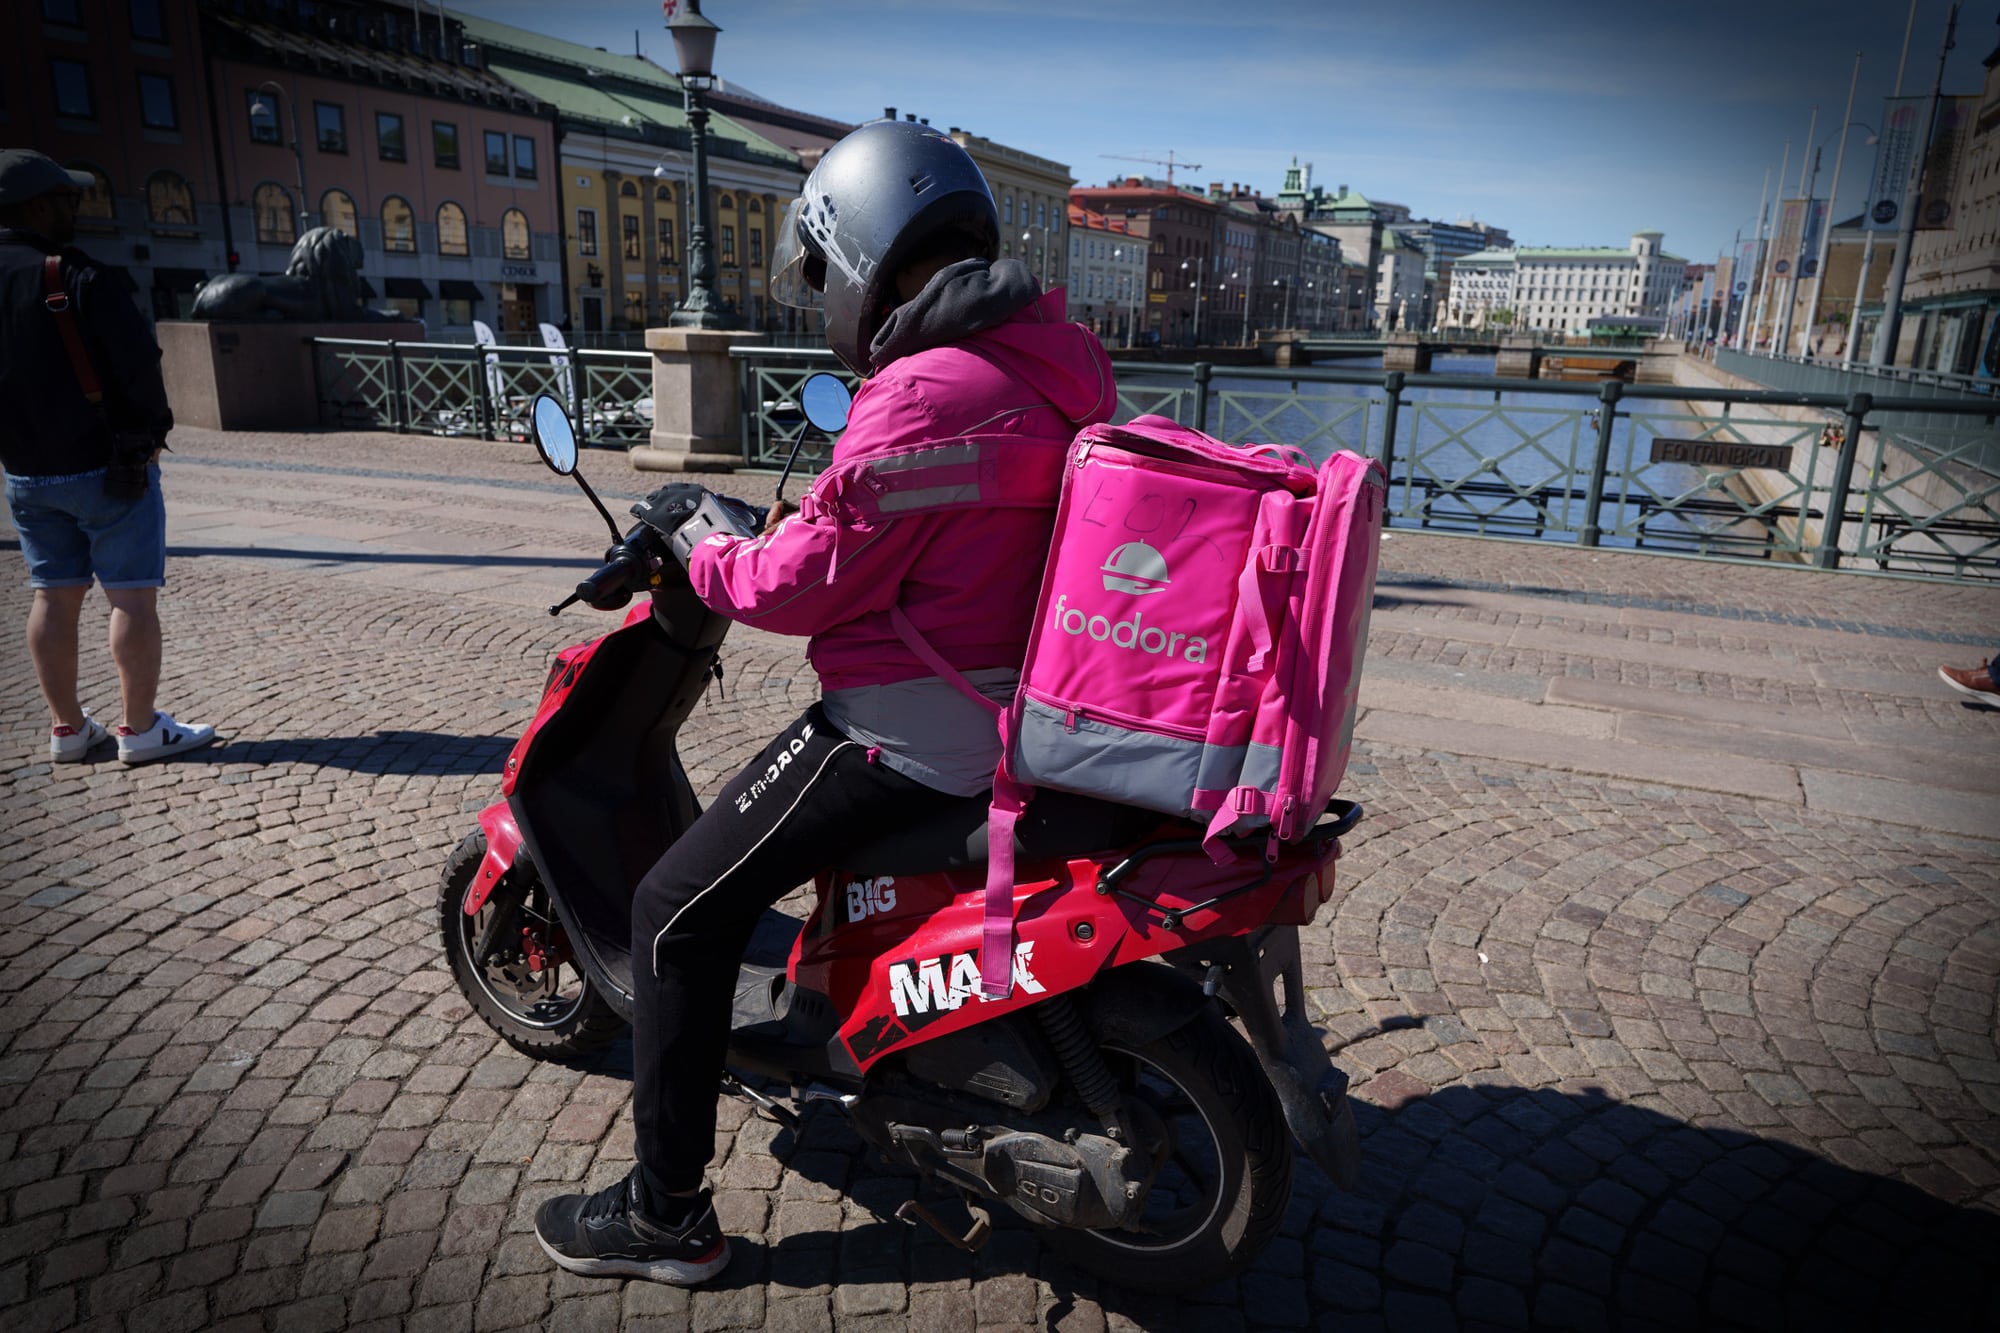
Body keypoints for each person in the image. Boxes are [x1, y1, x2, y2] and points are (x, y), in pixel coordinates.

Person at [532, 121, 1115, 1284]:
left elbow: (796, 589)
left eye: (820, 272)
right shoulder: (1061, 359)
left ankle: (664, 1216)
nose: (820, 297)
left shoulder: (918, 390)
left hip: (910, 728)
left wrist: (706, 550)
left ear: (857, 250)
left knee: (671, 908)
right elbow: (924, 523)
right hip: (1034, 704)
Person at [1, 149, 215, 764]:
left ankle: (67, 730)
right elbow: (139, 366)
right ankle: (140, 729)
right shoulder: (77, 275)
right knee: (131, 597)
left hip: (26, 470)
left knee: (52, 595)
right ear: (37, 206)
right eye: (66, 199)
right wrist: (151, 439)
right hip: (107, 465)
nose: (75, 207)